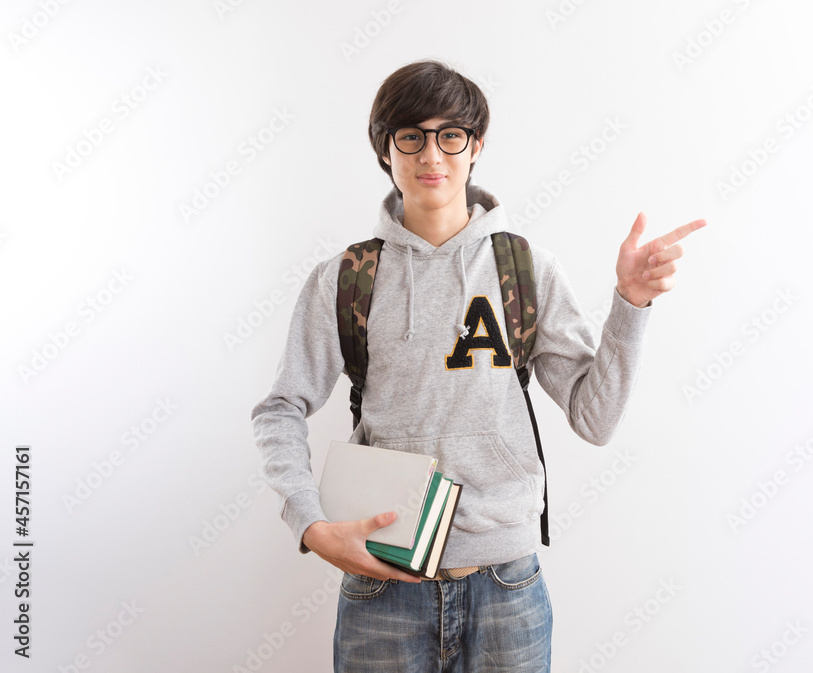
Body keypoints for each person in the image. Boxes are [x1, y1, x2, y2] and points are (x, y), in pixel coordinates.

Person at [250, 59, 706, 672]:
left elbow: (594, 420)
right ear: (386, 150)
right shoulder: (347, 278)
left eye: (450, 135)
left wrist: (631, 303)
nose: (430, 154)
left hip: (507, 587)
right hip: (383, 583)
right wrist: (310, 524)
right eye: (410, 136)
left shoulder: (527, 269)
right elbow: (280, 408)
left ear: (476, 147)